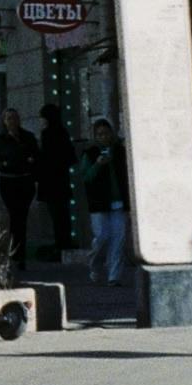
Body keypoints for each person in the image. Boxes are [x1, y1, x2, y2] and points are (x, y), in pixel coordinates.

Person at [78, 118, 131, 284]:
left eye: (106, 133)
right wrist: (97, 165)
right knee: (102, 236)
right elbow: (85, 177)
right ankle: (94, 263)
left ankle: (114, 276)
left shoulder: (121, 151)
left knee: (119, 238)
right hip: (99, 202)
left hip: (119, 201)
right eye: (99, 134)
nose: (104, 137)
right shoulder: (90, 153)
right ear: (95, 136)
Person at [0, 109, 40, 257]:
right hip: (8, 181)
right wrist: (3, 164)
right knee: (15, 215)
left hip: (25, 180)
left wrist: (31, 163)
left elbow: (37, 156)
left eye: (14, 118)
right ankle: (16, 250)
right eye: (9, 119)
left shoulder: (28, 137)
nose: (12, 121)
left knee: (22, 215)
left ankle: (19, 250)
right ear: (4, 121)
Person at [35, 105, 76, 263]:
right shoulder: (63, 132)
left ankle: (61, 245)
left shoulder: (48, 134)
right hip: (62, 180)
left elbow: (45, 158)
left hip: (51, 181)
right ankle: (64, 243)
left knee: (57, 215)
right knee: (63, 215)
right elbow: (70, 156)